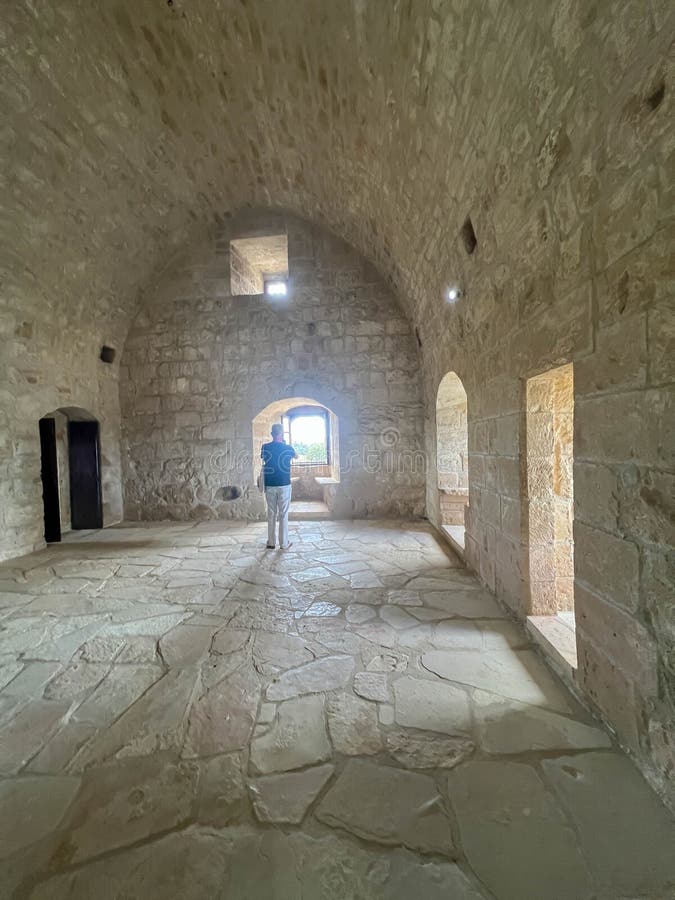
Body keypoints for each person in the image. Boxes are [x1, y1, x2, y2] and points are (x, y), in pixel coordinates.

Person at [260, 423, 297, 549]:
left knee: (271, 513)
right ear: (282, 434)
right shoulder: (288, 447)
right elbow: (296, 456)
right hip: (284, 484)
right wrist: (285, 444)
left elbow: (264, 459)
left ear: (272, 434)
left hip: (270, 484)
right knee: (283, 514)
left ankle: (271, 542)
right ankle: (283, 543)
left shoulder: (265, 447)